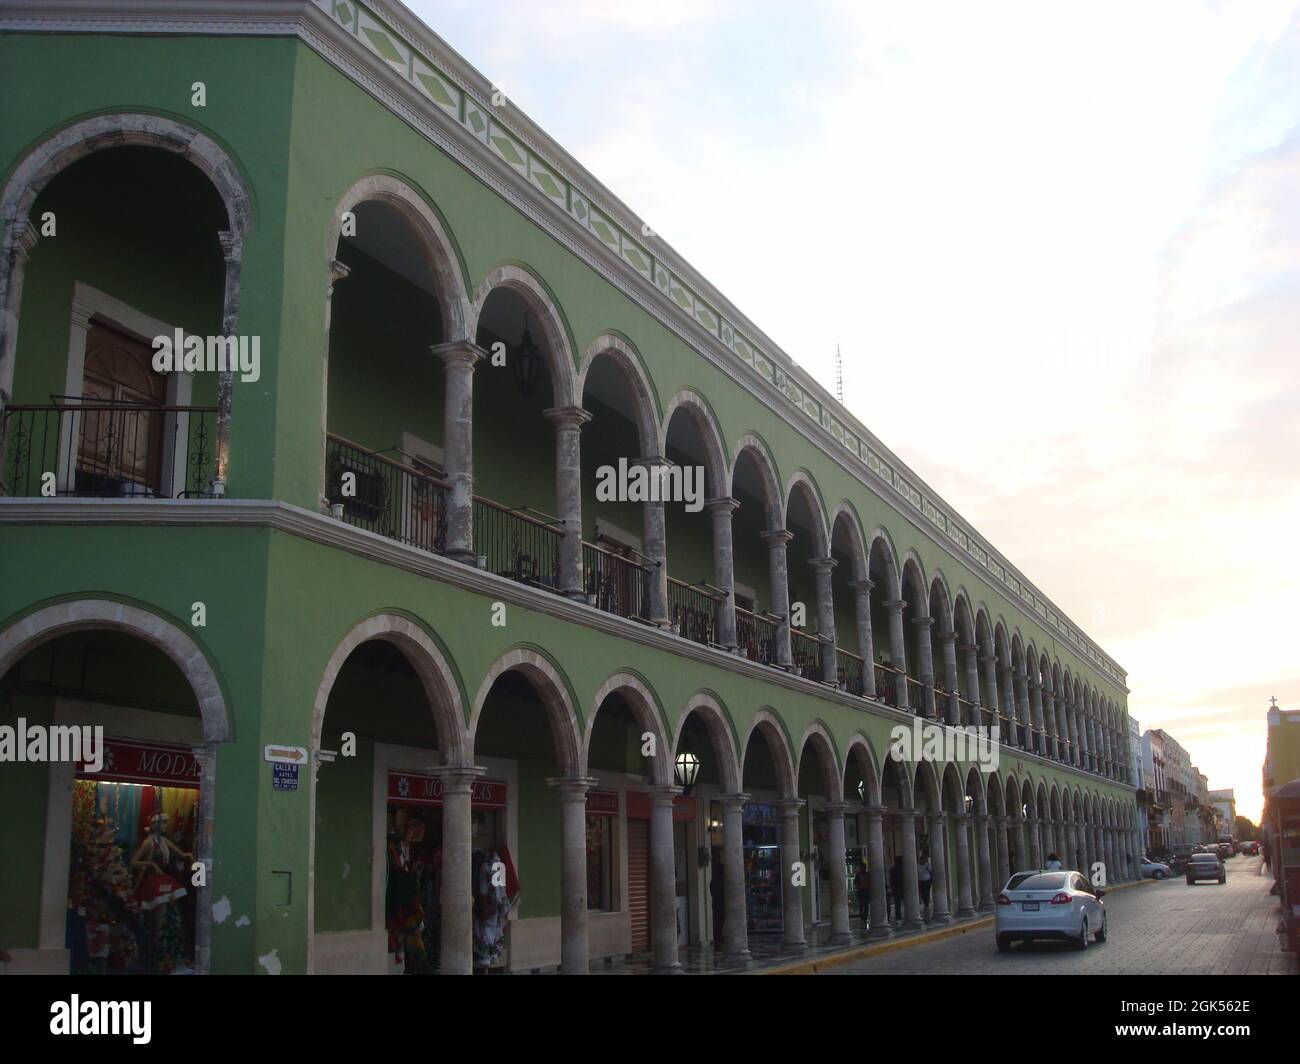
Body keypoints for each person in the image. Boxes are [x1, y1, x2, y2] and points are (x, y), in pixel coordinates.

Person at [854, 863, 871, 929]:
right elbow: (855, 882)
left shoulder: (867, 874)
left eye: (864, 867)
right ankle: (862, 916)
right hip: (861, 890)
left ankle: (865, 916)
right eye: (862, 867)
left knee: (865, 905)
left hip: (866, 890)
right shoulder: (858, 875)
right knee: (862, 905)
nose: (863, 869)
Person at [889, 855, 904, 924]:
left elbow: (891, 880)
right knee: (904, 902)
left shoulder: (893, 869)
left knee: (897, 903)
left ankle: (898, 918)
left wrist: (892, 888)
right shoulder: (904, 868)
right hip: (903, 887)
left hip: (897, 887)